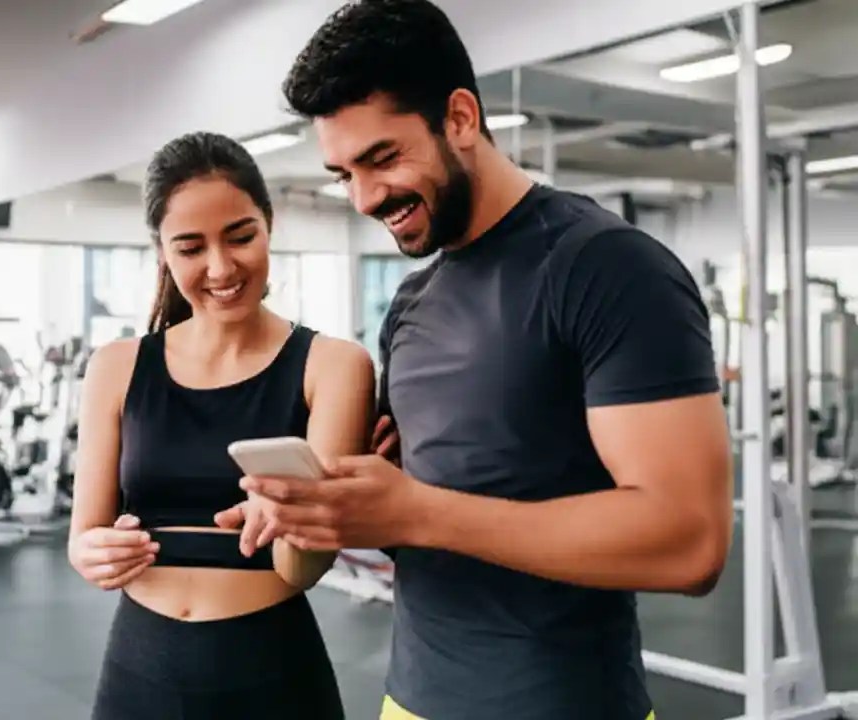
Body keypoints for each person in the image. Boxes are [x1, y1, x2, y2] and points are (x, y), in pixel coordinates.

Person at [215, 2, 735, 719]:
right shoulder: (412, 303)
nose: (366, 198)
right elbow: (432, 511)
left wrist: (417, 510)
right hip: (412, 699)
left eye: (383, 158)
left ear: (459, 118)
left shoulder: (606, 268)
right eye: (343, 174)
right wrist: (334, 505)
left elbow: (690, 543)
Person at [67, 131, 375, 720]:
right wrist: (94, 553)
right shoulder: (115, 367)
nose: (220, 267)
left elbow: (302, 568)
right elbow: (83, 538)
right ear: (162, 250)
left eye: (240, 237)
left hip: (269, 671)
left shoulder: (333, 367)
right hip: (140, 666)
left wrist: (294, 513)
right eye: (190, 248)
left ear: (269, 224)